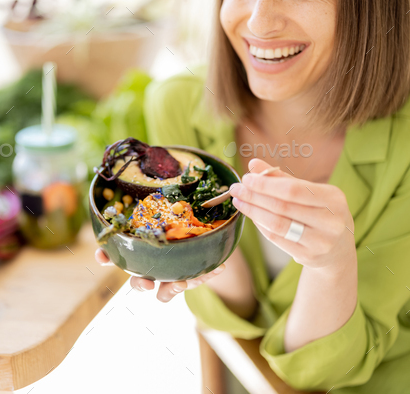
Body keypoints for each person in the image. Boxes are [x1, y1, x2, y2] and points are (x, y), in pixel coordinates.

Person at [95, 0, 410, 392]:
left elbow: (326, 373)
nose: (259, 22)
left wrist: (332, 267)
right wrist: (195, 251)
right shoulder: (177, 103)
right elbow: (235, 313)